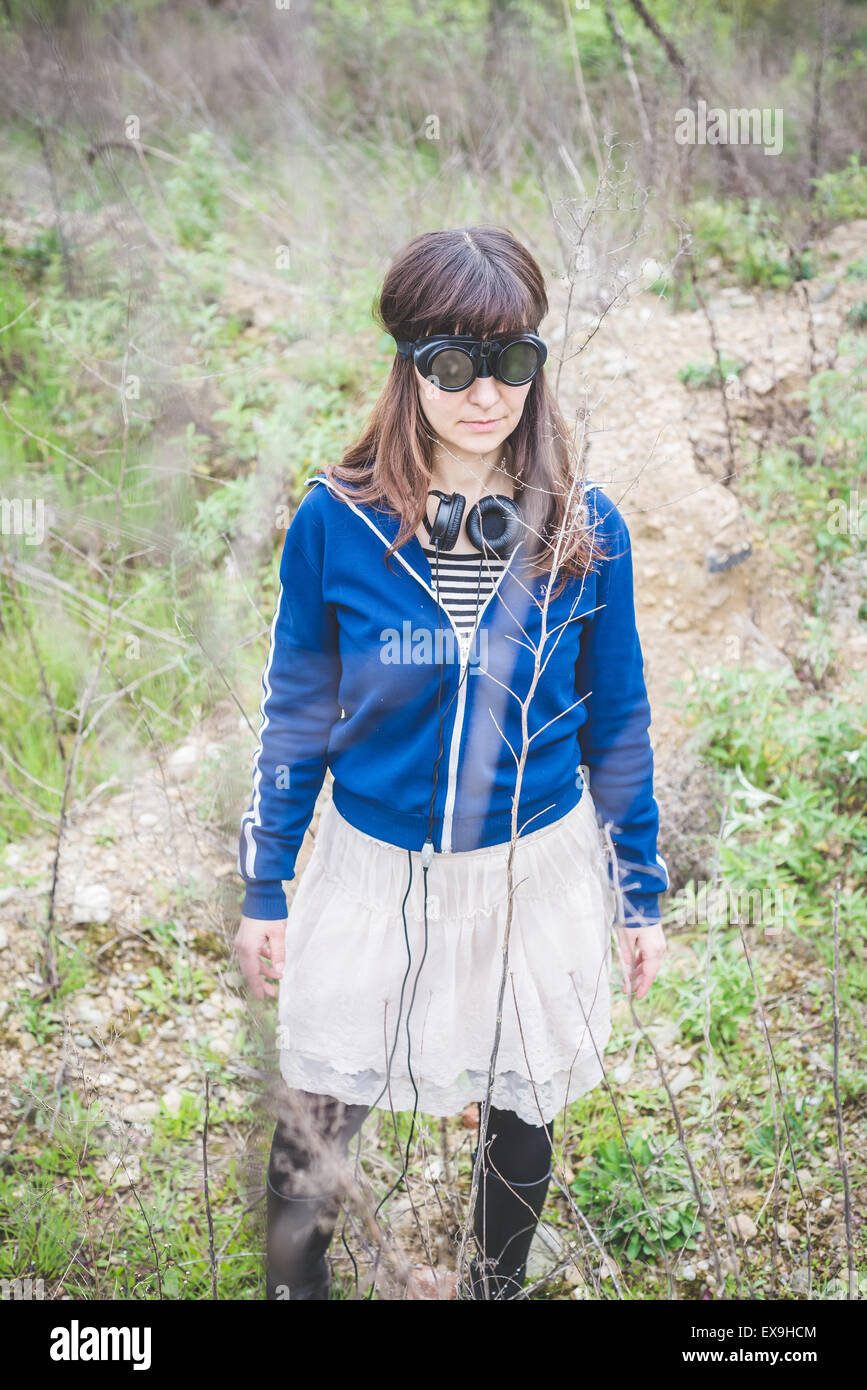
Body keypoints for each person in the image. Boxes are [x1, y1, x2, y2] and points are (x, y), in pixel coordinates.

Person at [234, 225, 669, 1301]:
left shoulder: (583, 522)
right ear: (409, 366)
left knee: (522, 1106)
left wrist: (641, 891)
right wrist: (266, 882)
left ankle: (492, 1287)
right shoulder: (335, 523)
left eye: (513, 360)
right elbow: (294, 715)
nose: (487, 394)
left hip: (533, 867)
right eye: (454, 364)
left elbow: (618, 718)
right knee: (320, 1104)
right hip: (374, 866)